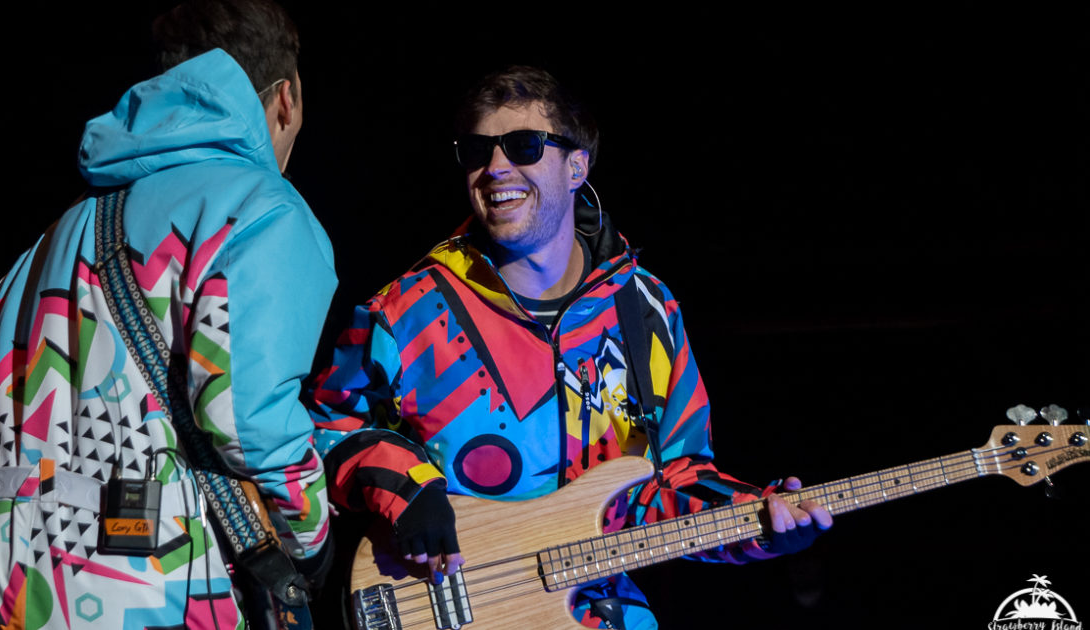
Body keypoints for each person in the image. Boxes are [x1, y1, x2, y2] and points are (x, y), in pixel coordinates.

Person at [309, 66, 832, 629]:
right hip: (444, 605)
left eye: (523, 146)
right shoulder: (410, 311)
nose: (495, 168)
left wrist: (755, 526)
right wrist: (408, 488)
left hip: (594, 612)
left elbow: (673, 479)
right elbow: (323, 425)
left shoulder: (645, 310)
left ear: (577, 165)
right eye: (478, 151)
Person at [0, 1, 335, 628]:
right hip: (149, 586)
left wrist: (33, 491)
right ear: (286, 100)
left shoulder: (65, 229)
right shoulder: (264, 210)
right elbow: (245, 419)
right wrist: (312, 539)